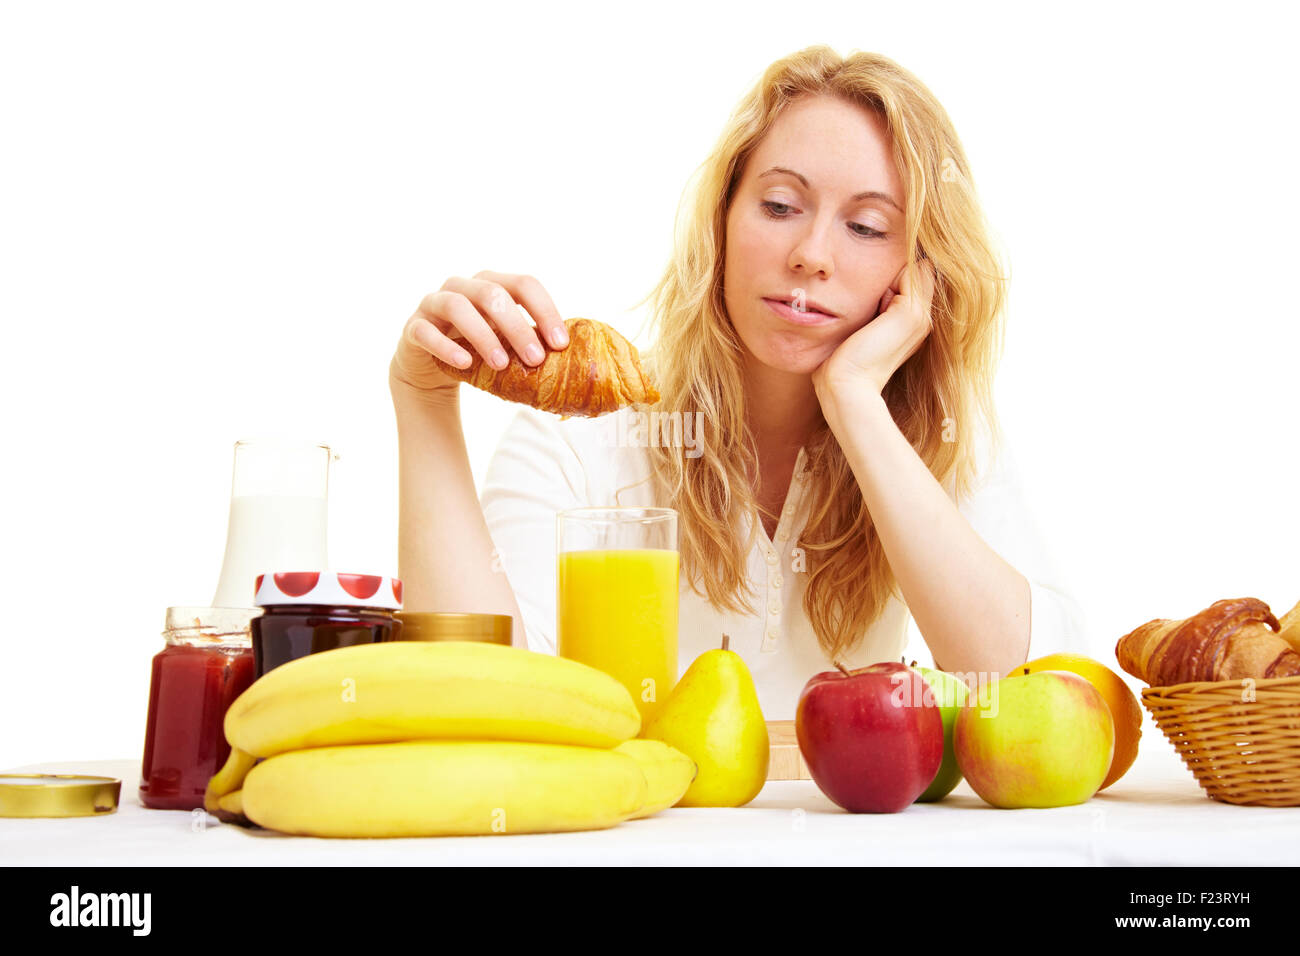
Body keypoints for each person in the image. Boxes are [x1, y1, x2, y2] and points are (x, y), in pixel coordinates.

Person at [388, 45, 1085, 720]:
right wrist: (423, 402)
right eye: (780, 207)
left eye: (868, 227)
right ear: (721, 220)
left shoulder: (935, 434)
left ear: (920, 273)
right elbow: (479, 695)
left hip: (845, 844)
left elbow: (1036, 694)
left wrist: (854, 403)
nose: (811, 255)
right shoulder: (586, 437)